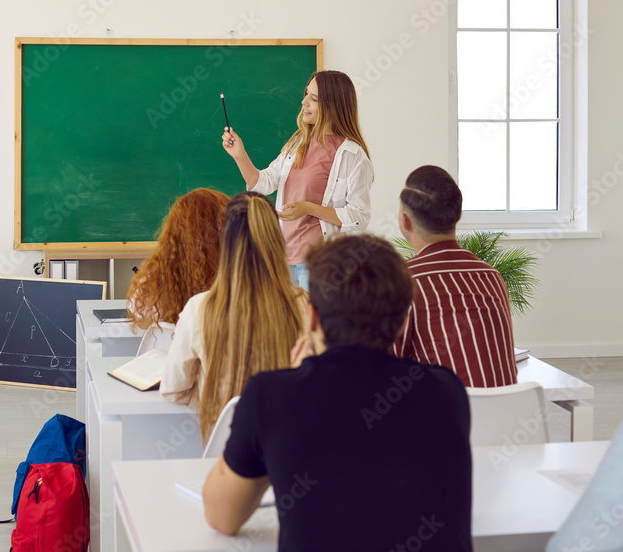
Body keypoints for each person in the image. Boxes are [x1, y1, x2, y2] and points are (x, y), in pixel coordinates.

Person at [202, 235, 472, 552]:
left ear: (312, 317)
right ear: (402, 323)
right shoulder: (445, 391)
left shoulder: (271, 395)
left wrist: (289, 392)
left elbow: (222, 516)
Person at [160, 192, 307, 442]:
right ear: (277, 240)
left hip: (224, 459)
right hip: (289, 459)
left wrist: (214, 393)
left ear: (226, 243)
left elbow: (173, 390)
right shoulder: (303, 304)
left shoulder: (200, 308)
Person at [221, 70, 373, 289]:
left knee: (313, 323)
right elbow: (262, 184)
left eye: (313, 99)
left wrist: (308, 208)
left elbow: (360, 216)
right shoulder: (297, 144)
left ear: (333, 105)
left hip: (319, 264)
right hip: (283, 259)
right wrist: (240, 155)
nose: (304, 102)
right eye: (306, 94)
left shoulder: (351, 155)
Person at [391, 165, 518, 387]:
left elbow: (387, 365)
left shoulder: (404, 279)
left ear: (405, 221)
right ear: (457, 215)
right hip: (507, 415)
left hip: (448, 417)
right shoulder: (492, 276)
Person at [126, 188, 230, 349]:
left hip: (163, 370)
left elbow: (141, 320)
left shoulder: (156, 277)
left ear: (174, 230)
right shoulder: (245, 277)